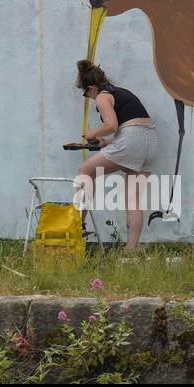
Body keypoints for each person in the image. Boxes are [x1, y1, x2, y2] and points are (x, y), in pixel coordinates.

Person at [74, 60, 158, 250]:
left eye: (85, 93)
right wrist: (106, 143)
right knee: (134, 200)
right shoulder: (121, 92)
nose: (86, 96)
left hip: (131, 140)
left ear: (91, 88)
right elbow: (133, 129)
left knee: (84, 171)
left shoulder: (102, 96)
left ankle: (77, 225)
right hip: (150, 142)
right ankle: (130, 251)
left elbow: (111, 125)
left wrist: (92, 134)